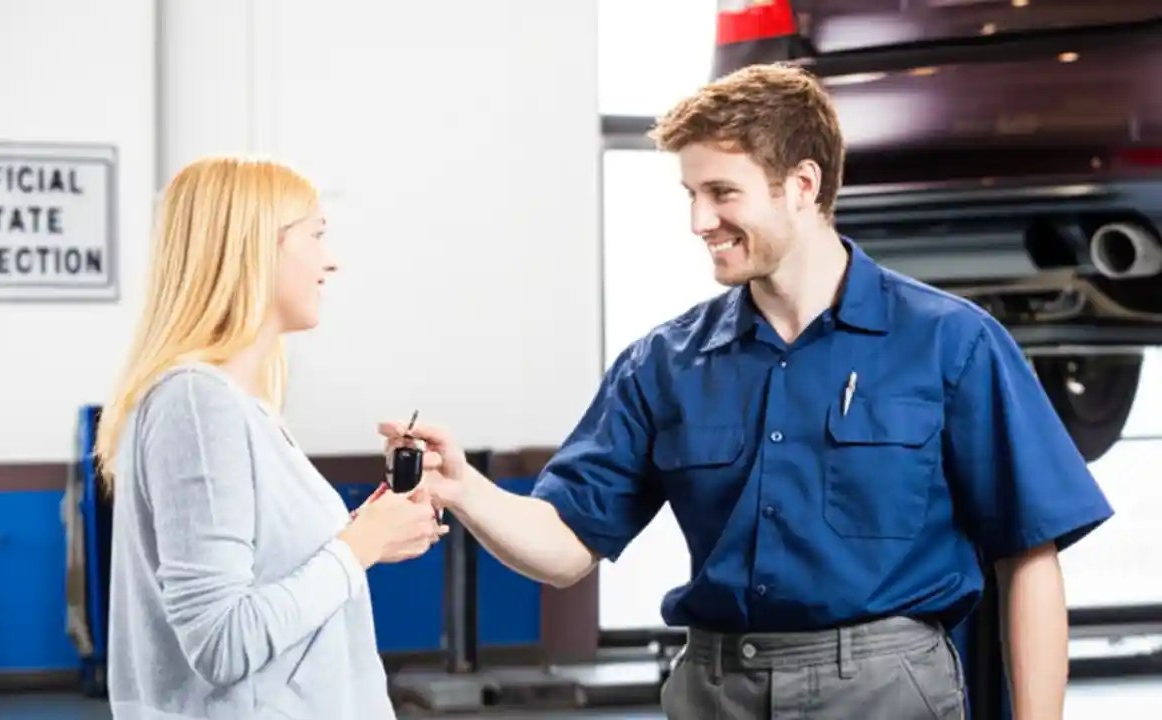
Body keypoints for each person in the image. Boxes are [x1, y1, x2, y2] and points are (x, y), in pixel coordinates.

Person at [380, 63, 1114, 719]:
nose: (700, 221)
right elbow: (568, 546)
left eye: (721, 192)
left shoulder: (951, 343)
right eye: (691, 193)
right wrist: (466, 487)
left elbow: (1030, 559)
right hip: (715, 690)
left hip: (887, 694)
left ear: (802, 185)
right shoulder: (663, 364)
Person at [94, 156, 445, 720]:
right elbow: (221, 641)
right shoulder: (196, 402)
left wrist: (370, 532)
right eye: (317, 235)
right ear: (255, 248)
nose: (331, 262)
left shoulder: (238, 406)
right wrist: (359, 548)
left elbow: (273, 579)